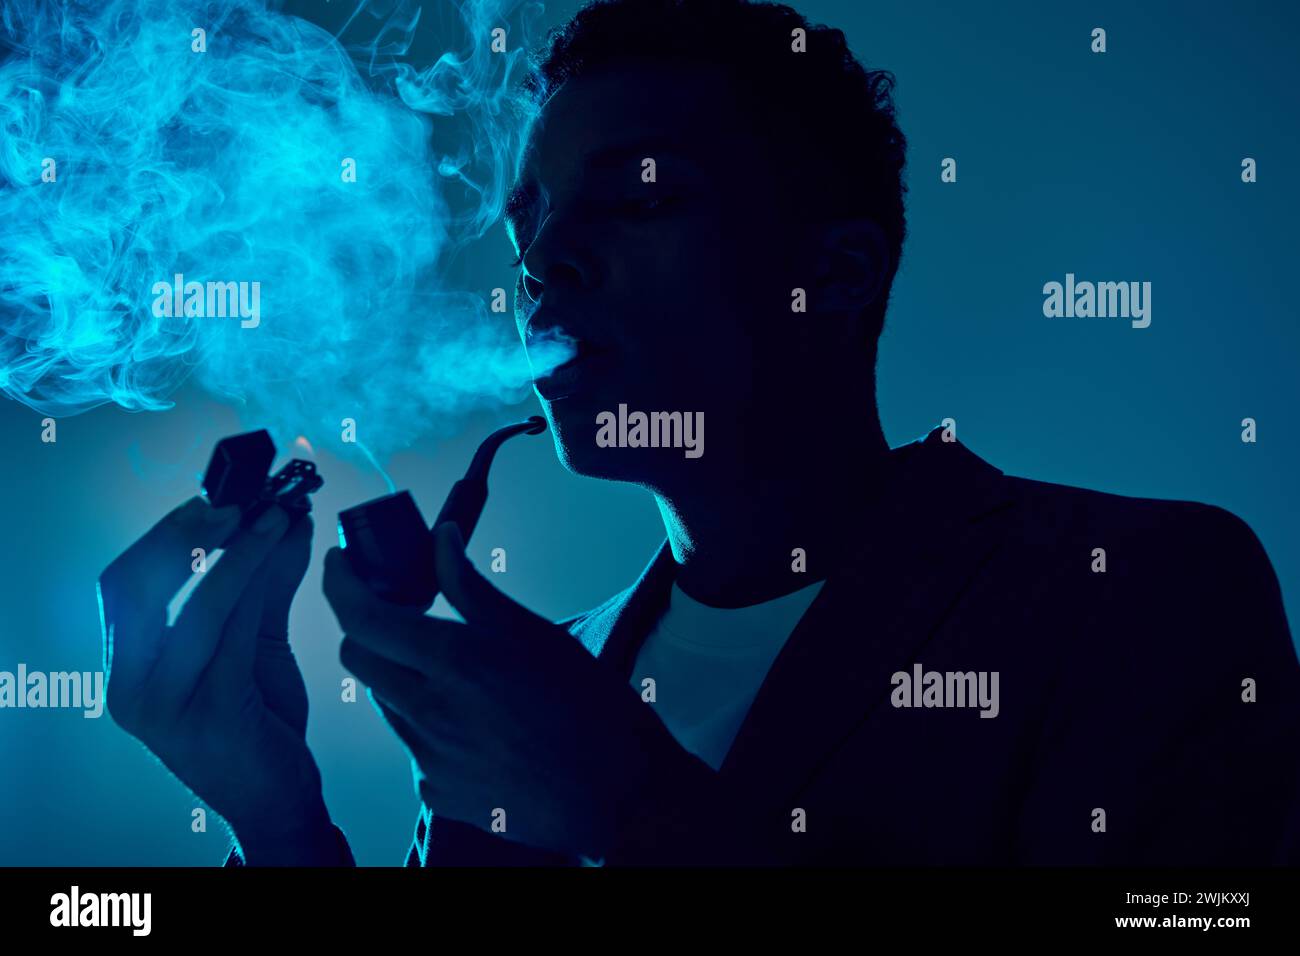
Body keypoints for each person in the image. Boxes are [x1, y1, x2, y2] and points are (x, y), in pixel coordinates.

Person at [99, 0, 1300, 866]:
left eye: (640, 198)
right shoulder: (532, 690)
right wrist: (275, 809)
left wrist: (636, 811)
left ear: (832, 276)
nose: (548, 264)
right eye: (534, 230)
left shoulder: (1137, 589)